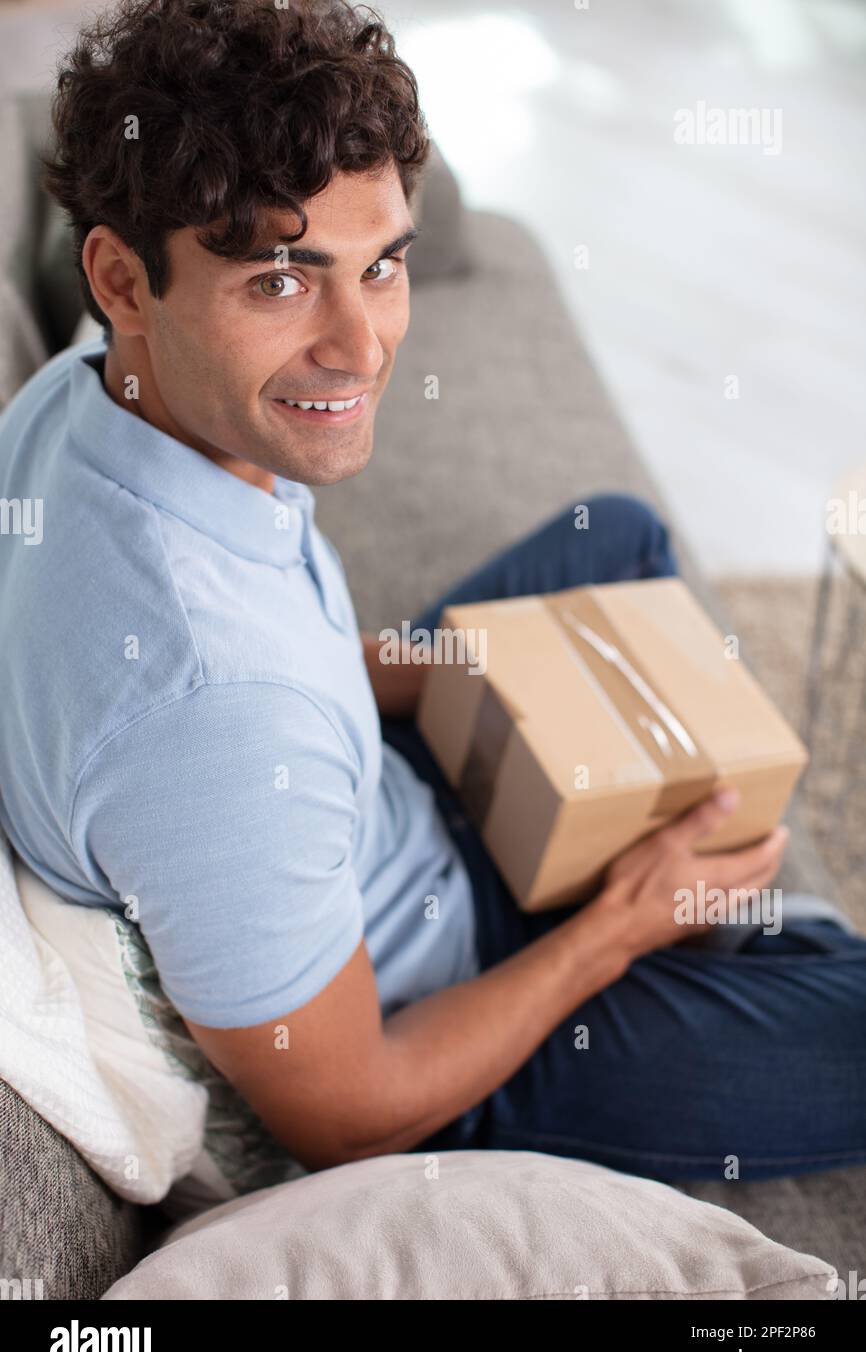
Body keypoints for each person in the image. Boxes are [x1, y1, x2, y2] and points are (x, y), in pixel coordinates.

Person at [0, 0, 863, 1187]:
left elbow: (267, 666)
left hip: (357, 804)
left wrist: (448, 671)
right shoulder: (211, 718)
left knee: (610, 534)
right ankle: (689, 930)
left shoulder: (75, 398)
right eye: (280, 283)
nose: (361, 347)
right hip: (436, 1027)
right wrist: (627, 917)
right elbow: (349, 1113)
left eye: (382, 265)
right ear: (121, 279)